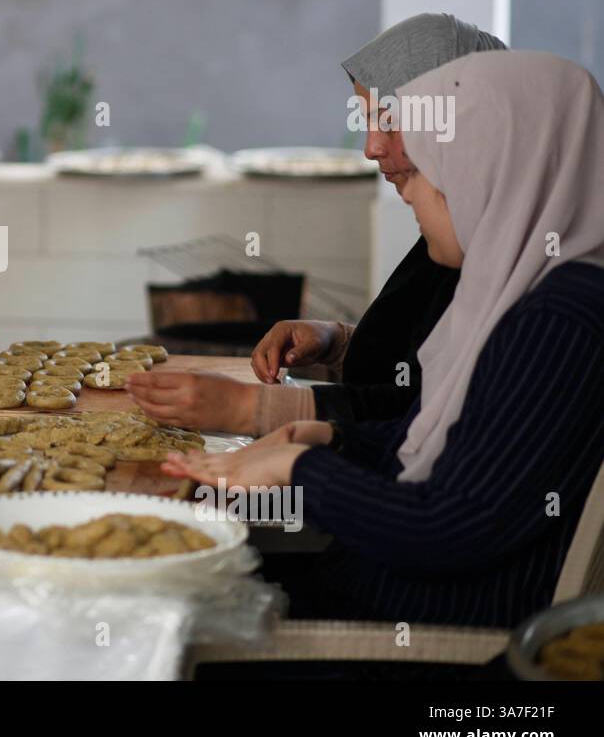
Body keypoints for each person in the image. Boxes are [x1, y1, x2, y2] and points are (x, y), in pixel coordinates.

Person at [164, 50, 604, 628]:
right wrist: (327, 437)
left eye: (424, 172)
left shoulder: (559, 323)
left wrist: (297, 468)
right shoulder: (526, 288)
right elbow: (447, 452)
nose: (405, 191)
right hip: (385, 593)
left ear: (489, 174)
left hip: (424, 638)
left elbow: (446, 530)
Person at [128, 13, 505, 435]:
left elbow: (425, 418)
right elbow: (419, 359)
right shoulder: (455, 231)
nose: (370, 148)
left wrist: (252, 409)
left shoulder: (503, 262)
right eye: (367, 120)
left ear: (455, 122)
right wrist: (339, 343)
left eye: (389, 120)